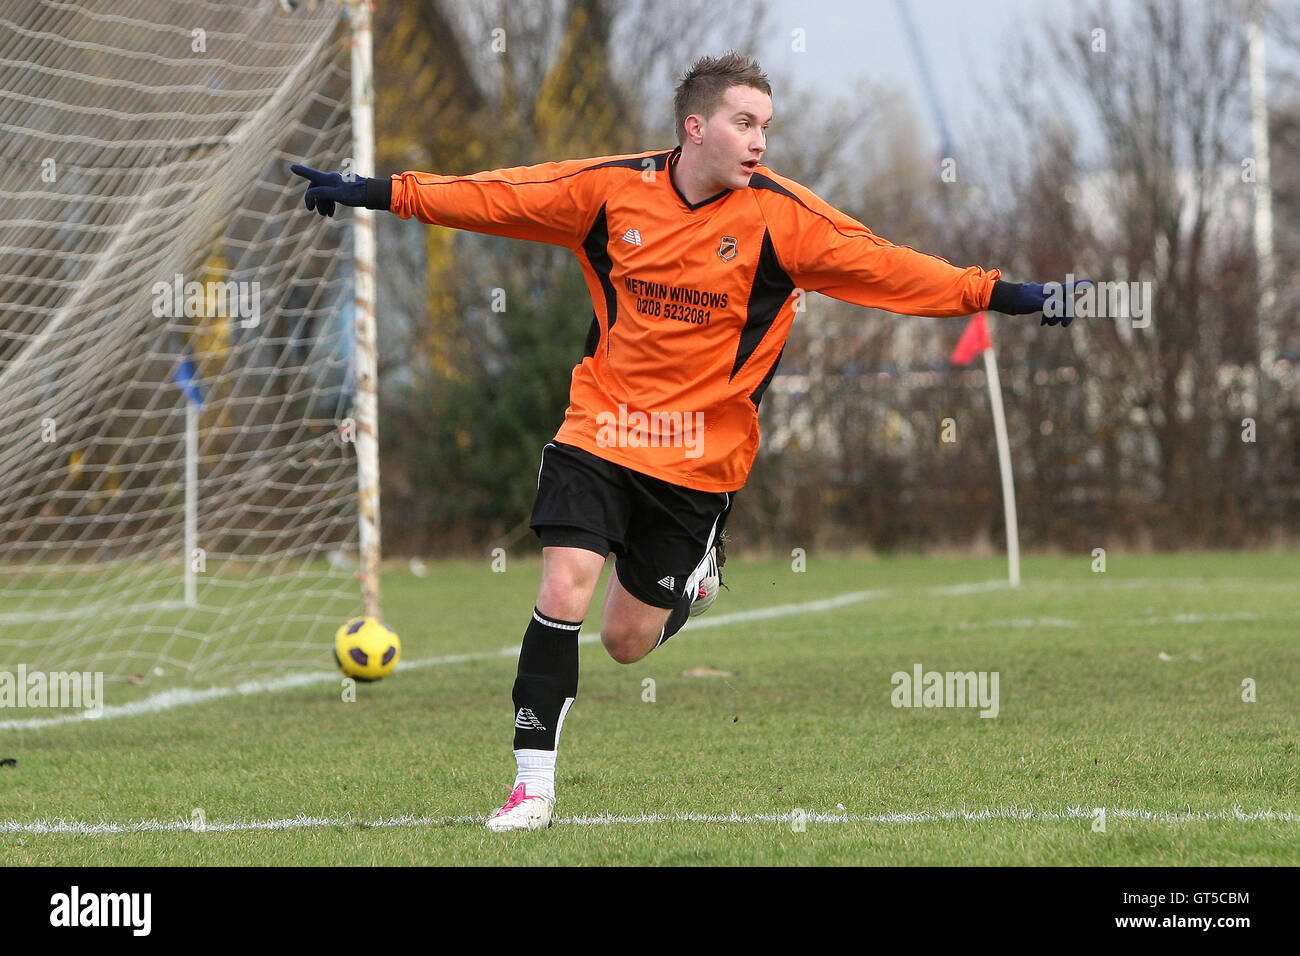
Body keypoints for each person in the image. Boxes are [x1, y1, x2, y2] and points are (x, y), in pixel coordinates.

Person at [293, 52, 1079, 832]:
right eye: (744, 123)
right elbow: (497, 196)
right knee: (563, 585)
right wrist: (377, 191)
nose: (759, 141)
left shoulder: (783, 218)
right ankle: (531, 790)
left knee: (626, 643)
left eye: (766, 127)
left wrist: (1009, 295)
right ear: (694, 127)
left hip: (700, 460)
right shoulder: (610, 191)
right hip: (600, 429)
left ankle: (693, 579)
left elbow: (892, 270)